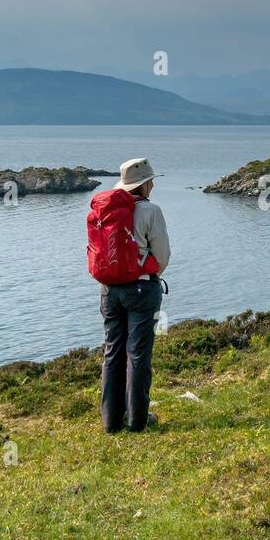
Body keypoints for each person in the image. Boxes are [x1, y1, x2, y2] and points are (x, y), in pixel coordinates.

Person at [99, 157, 170, 433]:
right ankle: (138, 420)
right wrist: (150, 275)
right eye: (150, 181)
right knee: (138, 355)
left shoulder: (106, 210)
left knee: (112, 352)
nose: (152, 185)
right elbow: (162, 255)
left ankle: (111, 422)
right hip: (141, 289)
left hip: (109, 290)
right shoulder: (151, 211)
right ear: (144, 185)